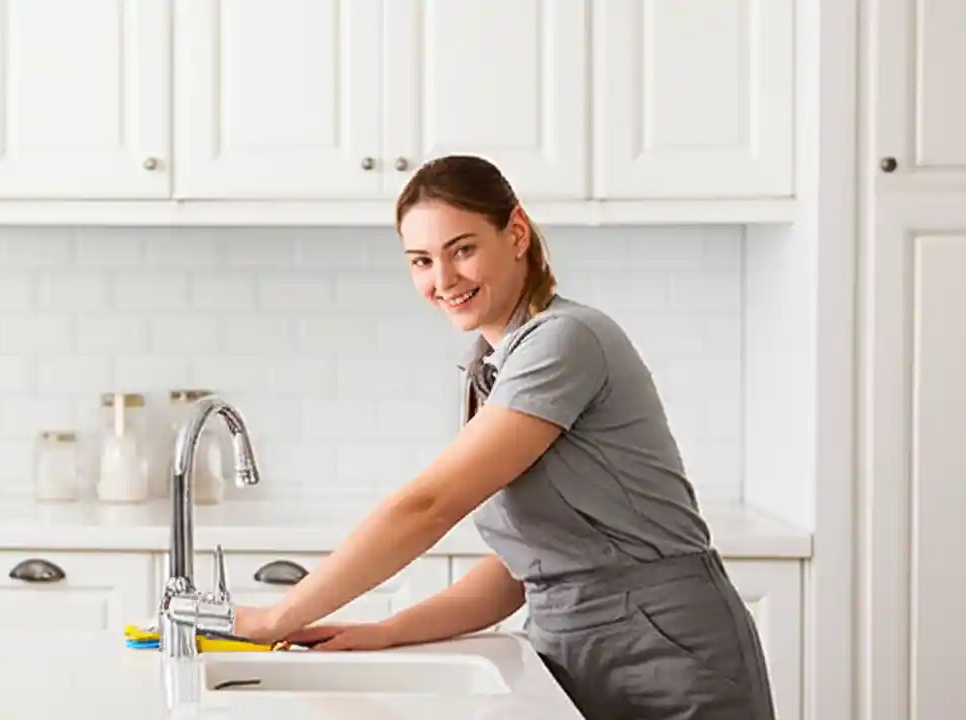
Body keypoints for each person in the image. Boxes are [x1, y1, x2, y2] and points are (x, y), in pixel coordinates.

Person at [234, 155, 776, 718]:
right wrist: (388, 630)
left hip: (667, 651)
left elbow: (427, 505)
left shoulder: (565, 340)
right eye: (421, 261)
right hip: (570, 650)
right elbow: (524, 572)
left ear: (516, 233)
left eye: (462, 250)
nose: (442, 281)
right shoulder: (489, 368)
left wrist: (276, 618)